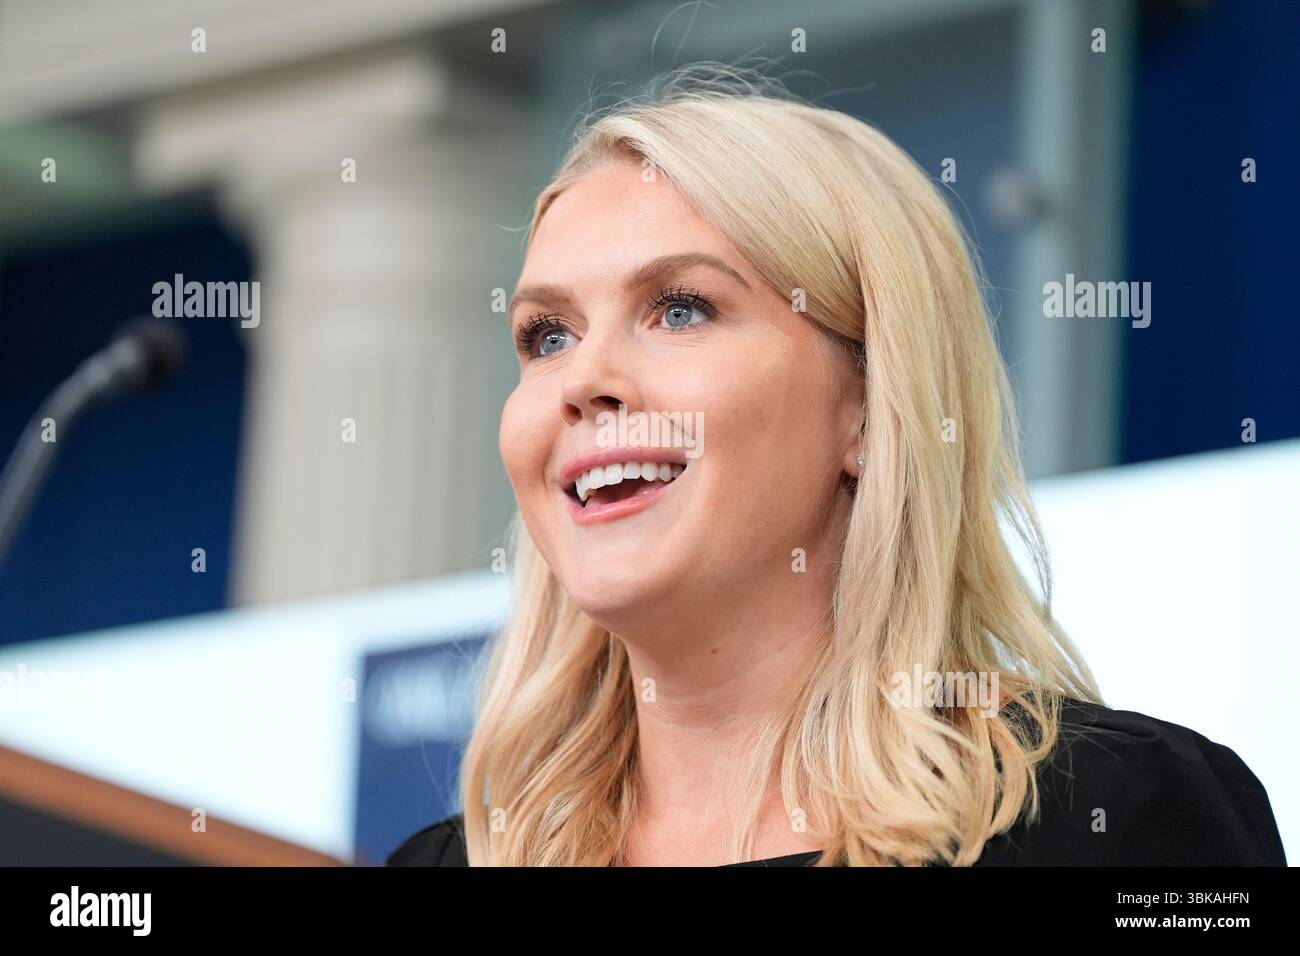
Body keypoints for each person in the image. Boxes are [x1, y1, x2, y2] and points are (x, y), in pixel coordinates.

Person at [389, 66, 1286, 867]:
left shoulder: (1113, 815)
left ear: (867, 402)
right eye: (548, 336)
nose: (583, 381)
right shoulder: (450, 862)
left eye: (681, 309)